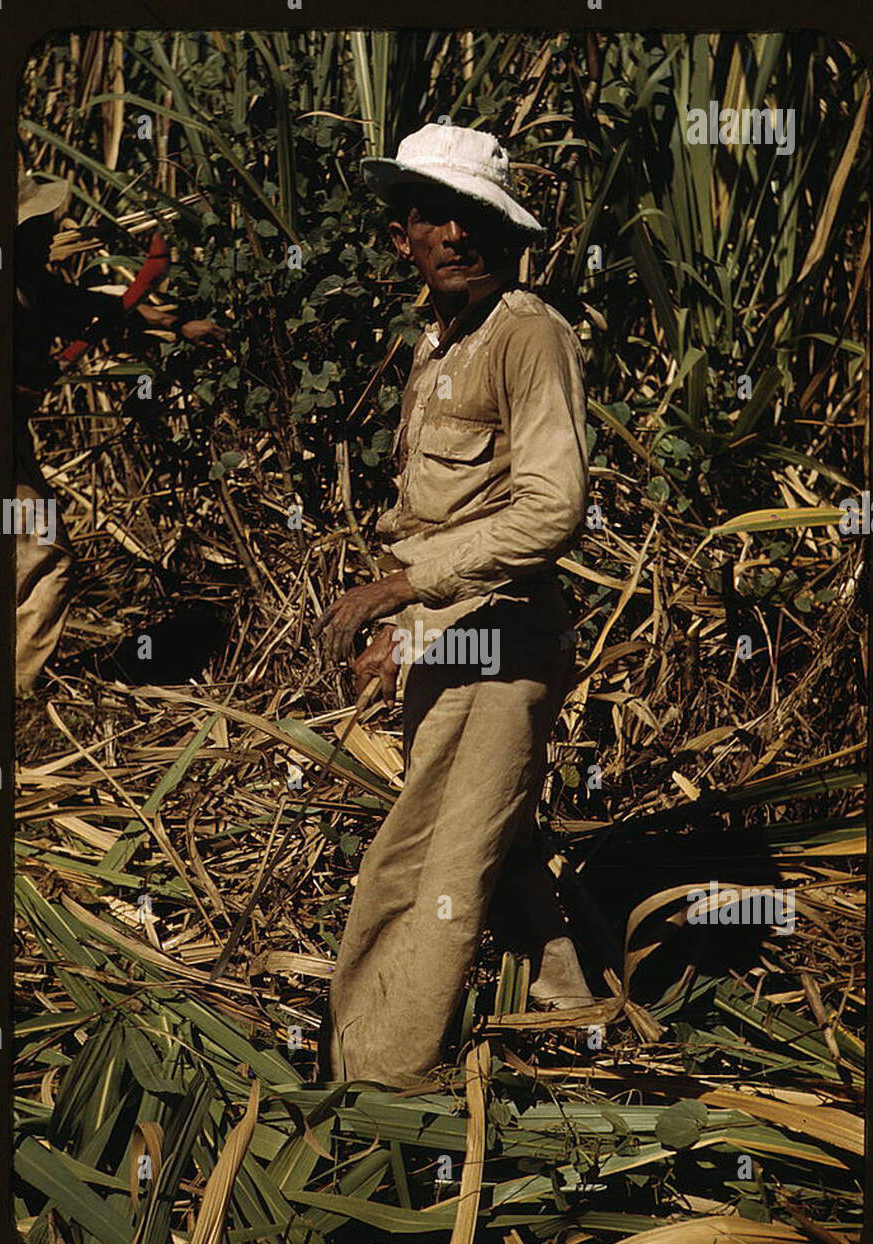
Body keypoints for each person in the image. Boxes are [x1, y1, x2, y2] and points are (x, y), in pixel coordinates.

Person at [314, 123, 597, 1090]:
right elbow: (441, 508)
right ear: (404, 237)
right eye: (438, 217)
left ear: (504, 233)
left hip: (503, 646)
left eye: (478, 217)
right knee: (500, 847)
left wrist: (404, 586)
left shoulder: (528, 333)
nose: (458, 236)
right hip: (448, 639)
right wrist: (406, 624)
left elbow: (551, 508)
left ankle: (377, 1075)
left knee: (428, 857)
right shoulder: (436, 342)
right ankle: (578, 1021)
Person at [14, 162, 225, 692]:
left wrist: (176, 323)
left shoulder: (29, 285)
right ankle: (16, 689)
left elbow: (89, 307)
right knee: (45, 557)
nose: (50, 237)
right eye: (38, 228)